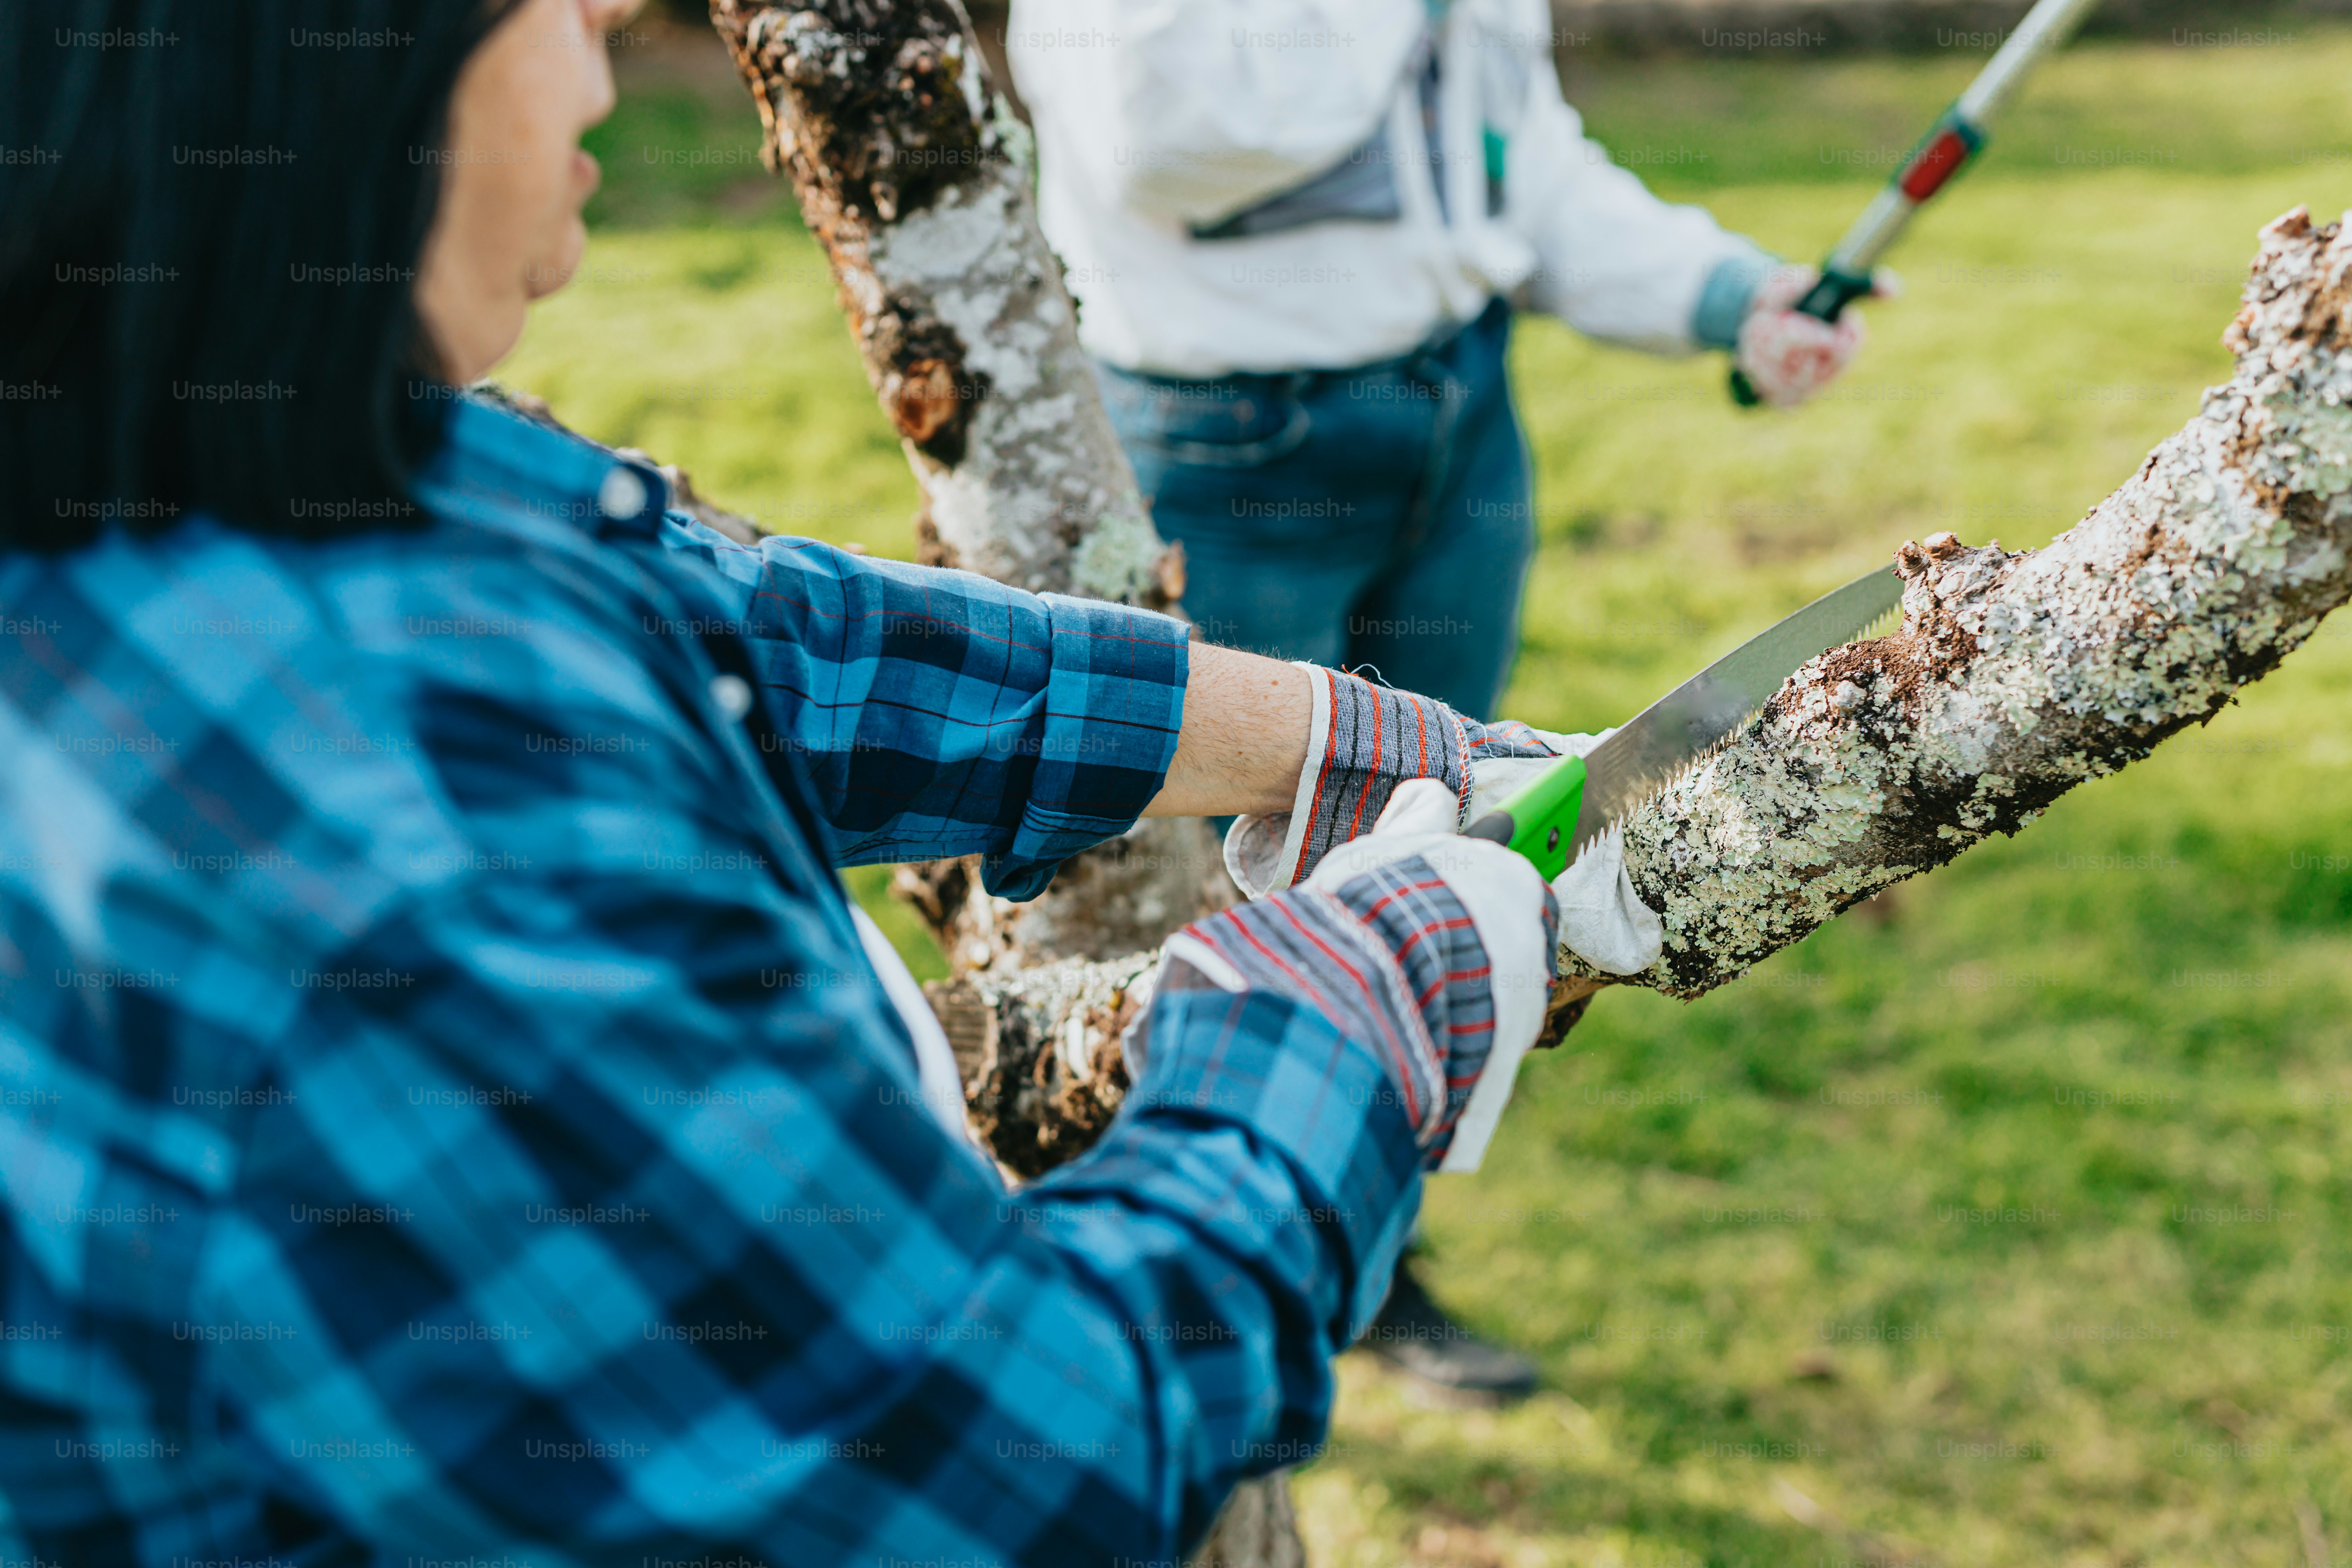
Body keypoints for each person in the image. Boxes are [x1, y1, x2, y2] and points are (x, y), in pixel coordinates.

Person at [0, 1, 1633, 1561]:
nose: (614, 12)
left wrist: (1333, 738)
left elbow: (776, 641)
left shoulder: (248, 456)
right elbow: (1003, 1472)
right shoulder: (406, 835)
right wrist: (1357, 992)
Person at [1006, 0, 1886, 1404]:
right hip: (1230, 445)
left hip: (1455, 412)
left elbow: (1508, 155)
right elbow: (1158, 139)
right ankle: (1187, 1304)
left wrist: (1722, 292)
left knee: (1433, 823)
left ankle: (1373, 1254)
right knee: (1211, 886)